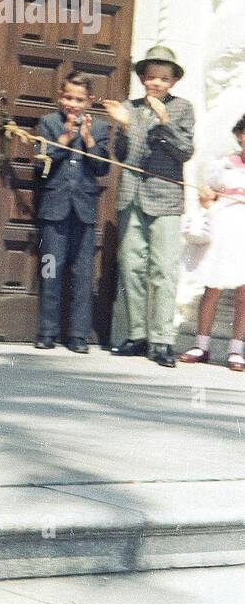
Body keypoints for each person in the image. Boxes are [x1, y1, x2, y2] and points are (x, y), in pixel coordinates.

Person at [101, 46, 196, 368]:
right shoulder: (129, 107)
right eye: (152, 77)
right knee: (131, 267)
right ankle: (137, 335)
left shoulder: (182, 108)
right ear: (142, 78)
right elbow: (121, 154)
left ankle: (162, 341)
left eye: (164, 79)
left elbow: (185, 152)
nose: (157, 83)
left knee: (163, 270)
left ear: (173, 81)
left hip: (166, 198)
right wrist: (125, 126)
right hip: (132, 196)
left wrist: (164, 121)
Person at [31, 71, 111, 353]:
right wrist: (64, 139)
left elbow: (102, 168)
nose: (73, 104)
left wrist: (88, 139)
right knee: (50, 269)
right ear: (60, 97)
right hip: (54, 210)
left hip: (83, 212)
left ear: (89, 101)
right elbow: (40, 165)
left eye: (79, 100)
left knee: (82, 274)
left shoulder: (99, 128)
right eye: (68, 98)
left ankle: (78, 335)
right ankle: (47, 332)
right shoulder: (48, 123)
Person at [178, 112, 245, 371]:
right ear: (239, 136)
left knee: (243, 290)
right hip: (223, 229)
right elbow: (207, 197)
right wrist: (206, 198)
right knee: (213, 286)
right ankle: (201, 345)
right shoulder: (223, 165)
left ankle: (236, 349)